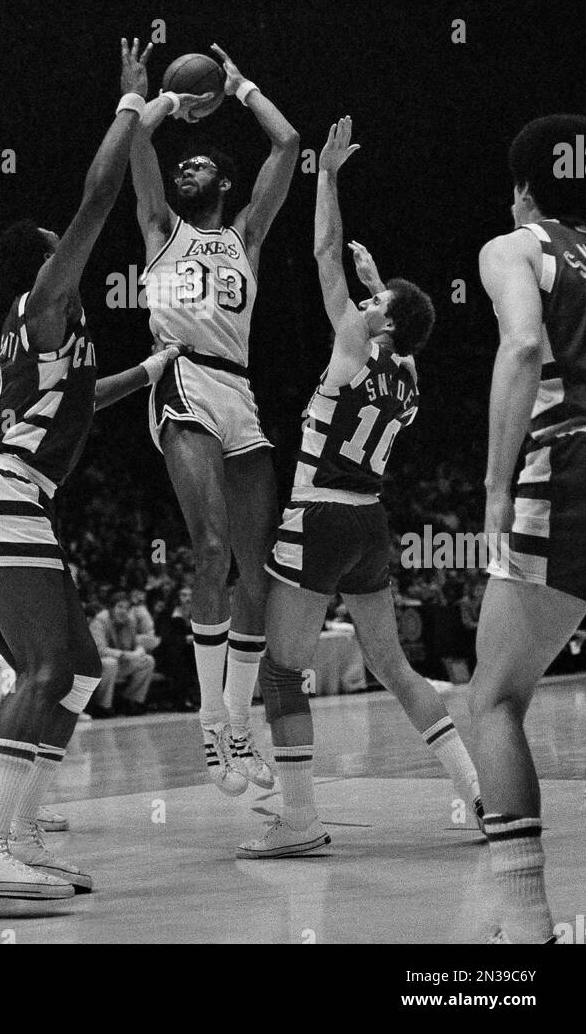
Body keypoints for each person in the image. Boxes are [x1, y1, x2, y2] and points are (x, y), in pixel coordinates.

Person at [0, 38, 210, 900]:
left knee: (85, 668)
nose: (76, 248)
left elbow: (79, 402)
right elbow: (99, 194)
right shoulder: (44, 301)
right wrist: (142, 106)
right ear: (43, 261)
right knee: (46, 672)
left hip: (16, 491)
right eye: (62, 246)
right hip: (7, 491)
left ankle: (16, 834)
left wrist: (149, 370)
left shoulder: (48, 342)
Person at [238, 118, 482, 859]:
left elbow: (320, 252)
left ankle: (301, 819)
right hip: (370, 525)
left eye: (375, 304)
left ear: (380, 323)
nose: (364, 301)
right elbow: (404, 329)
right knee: (395, 666)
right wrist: (385, 290)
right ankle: (476, 793)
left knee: (282, 674)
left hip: (316, 520)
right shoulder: (409, 376)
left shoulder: (351, 339)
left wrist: (329, 179)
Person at [0, 355, 177, 846]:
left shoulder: (42, 424)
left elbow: (89, 397)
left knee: (48, 673)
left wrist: (153, 368)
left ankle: (18, 800)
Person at [130, 43, 299, 794]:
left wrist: (239, 85)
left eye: (202, 163)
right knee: (209, 549)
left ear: (225, 183)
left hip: (242, 394)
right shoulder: (160, 225)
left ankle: (239, 719)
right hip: (183, 381)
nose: (187, 165)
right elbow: (135, 141)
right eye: (184, 161)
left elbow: (289, 143)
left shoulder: (246, 239)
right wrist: (163, 100)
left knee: (258, 568)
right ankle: (207, 724)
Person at [469, 113, 586, 944]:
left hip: (570, 465)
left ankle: (526, 928)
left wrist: (495, 486)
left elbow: (519, 348)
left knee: (496, 700)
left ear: (521, 190)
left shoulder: (516, 247)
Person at [90, 595, 156, 716]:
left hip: (120, 662)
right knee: (111, 663)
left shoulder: (129, 621)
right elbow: (99, 650)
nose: (124, 611)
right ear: (111, 608)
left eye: (127, 608)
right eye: (120, 607)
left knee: (148, 661)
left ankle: (130, 701)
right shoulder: (99, 621)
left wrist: (139, 650)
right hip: (96, 664)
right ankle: (102, 707)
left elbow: (135, 644)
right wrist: (125, 655)